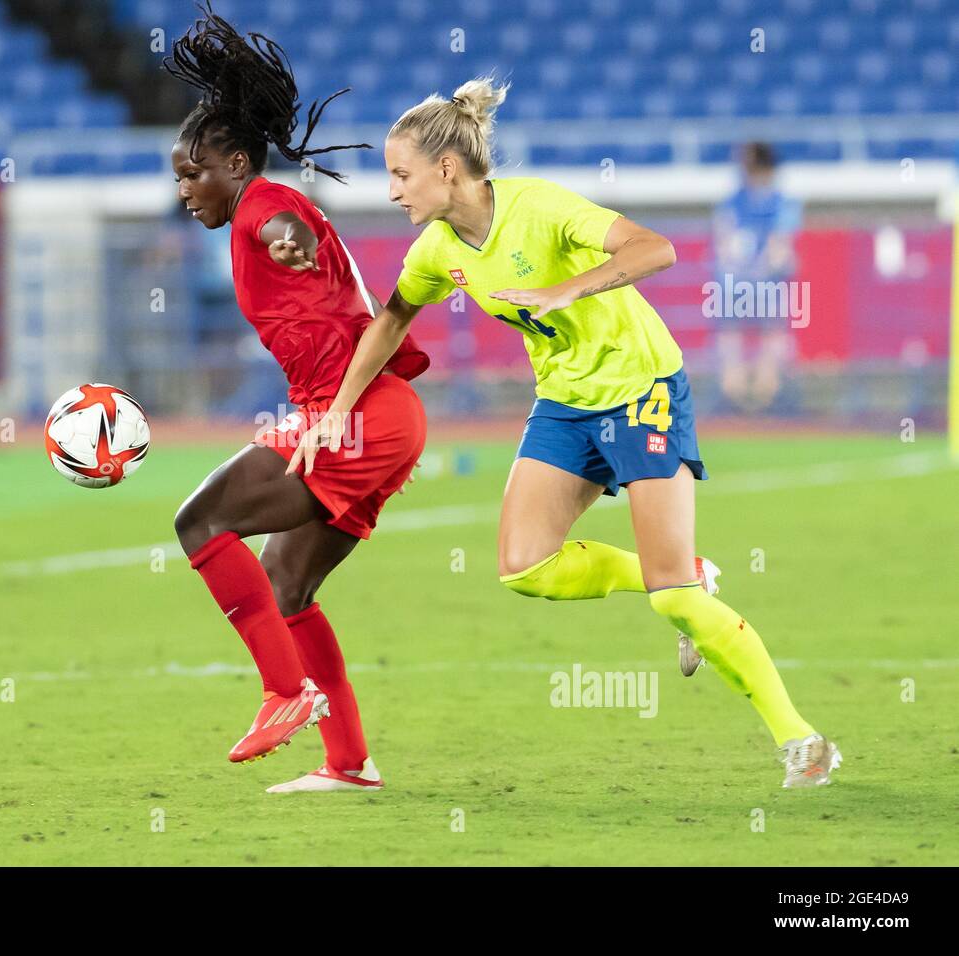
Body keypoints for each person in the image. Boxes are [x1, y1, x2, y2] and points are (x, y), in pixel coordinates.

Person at [290, 79, 840, 788]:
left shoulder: (540, 208)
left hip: (642, 388)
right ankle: (689, 575)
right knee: (525, 567)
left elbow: (657, 249)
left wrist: (567, 289)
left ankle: (801, 740)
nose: (392, 191)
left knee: (672, 602)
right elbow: (391, 319)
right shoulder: (435, 250)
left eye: (400, 174)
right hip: (565, 401)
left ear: (446, 170)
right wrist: (337, 409)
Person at [164, 6, 430, 792]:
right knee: (286, 584)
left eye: (191, 173)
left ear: (236, 163)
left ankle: (285, 693)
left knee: (199, 521)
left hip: (351, 416)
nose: (184, 192)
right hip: (377, 416)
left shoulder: (261, 207)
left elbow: (287, 229)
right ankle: (348, 762)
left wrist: (291, 241)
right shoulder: (261, 206)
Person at [712, 142, 803, 413]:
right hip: (738, 280)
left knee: (770, 334)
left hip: (764, 280)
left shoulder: (780, 203)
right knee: (732, 335)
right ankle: (735, 393)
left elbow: (780, 245)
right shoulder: (733, 201)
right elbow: (723, 239)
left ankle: (765, 395)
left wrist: (763, 268)